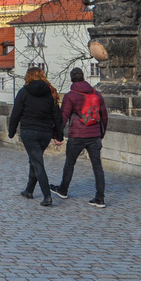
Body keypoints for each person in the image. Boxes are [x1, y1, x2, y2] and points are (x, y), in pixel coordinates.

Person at [51, 68, 108, 208]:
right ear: (83, 78)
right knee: (97, 167)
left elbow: (63, 118)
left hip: (77, 135)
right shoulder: (96, 94)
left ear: (71, 79)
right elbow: (104, 116)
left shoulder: (70, 96)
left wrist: (57, 136)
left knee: (70, 163)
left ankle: (63, 190)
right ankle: (100, 198)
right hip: (94, 135)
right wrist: (101, 134)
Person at [8, 67, 64, 207]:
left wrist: (11, 131)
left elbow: (16, 113)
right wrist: (59, 134)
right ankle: (29, 190)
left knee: (37, 162)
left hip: (29, 132)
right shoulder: (49, 93)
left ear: (28, 77)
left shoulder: (24, 92)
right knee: (35, 159)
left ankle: (47, 196)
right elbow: (57, 116)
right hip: (45, 133)